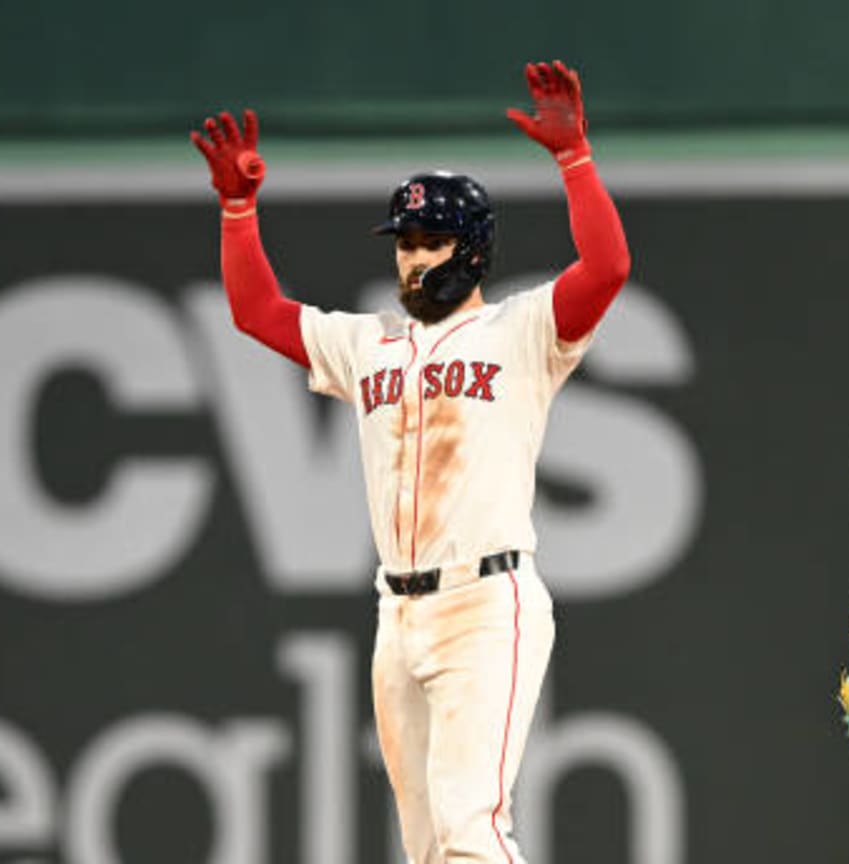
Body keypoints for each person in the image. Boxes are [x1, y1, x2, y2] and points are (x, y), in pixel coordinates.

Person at [191, 60, 628, 863]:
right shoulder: (371, 345)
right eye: (406, 243)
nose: (414, 258)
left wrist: (576, 162)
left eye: (432, 240)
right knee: (428, 849)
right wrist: (237, 209)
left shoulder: (521, 332)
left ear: (473, 248)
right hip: (398, 615)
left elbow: (605, 270)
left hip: (484, 604)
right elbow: (256, 312)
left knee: (472, 833)